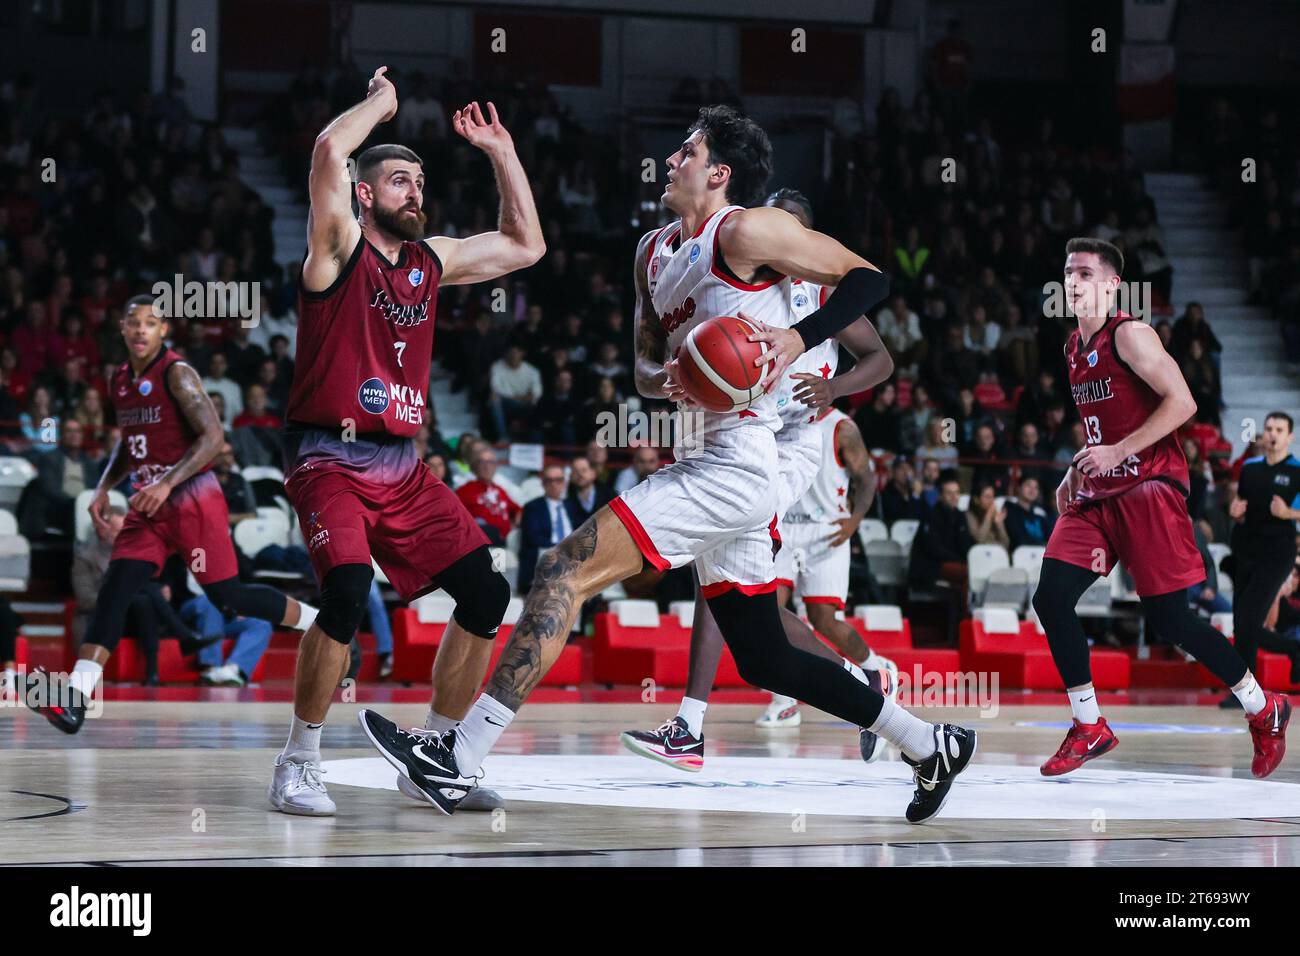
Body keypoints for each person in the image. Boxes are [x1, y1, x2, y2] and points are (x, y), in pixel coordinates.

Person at [359, 106, 975, 825]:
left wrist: (790, 340)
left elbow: (870, 282)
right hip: (704, 451)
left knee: (564, 568)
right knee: (765, 659)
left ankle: (458, 757)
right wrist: (674, 376)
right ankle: (928, 742)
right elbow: (647, 371)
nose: (672, 158)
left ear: (718, 173)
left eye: (687, 150)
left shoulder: (746, 230)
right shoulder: (652, 250)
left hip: (738, 462)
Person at [271, 68, 543, 816]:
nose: (414, 192)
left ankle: (436, 752)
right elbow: (330, 147)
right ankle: (298, 761)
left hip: (400, 464)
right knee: (348, 590)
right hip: (327, 455)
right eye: (398, 181)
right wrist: (380, 105)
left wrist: (502, 153)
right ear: (365, 195)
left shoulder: (433, 262)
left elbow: (526, 245)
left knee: (487, 591)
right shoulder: (336, 247)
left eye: (419, 181)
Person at [625, 185, 898, 747]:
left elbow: (881, 360)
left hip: (797, 440)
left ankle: (689, 725)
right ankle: (864, 686)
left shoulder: (821, 293)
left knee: (719, 576)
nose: (779, 232)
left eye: (791, 225)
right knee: (749, 607)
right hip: (747, 437)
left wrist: (832, 387)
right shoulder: (746, 286)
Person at [1032, 237, 1287, 778]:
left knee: (1172, 621)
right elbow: (1106, 424)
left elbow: (1185, 403)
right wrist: (1078, 467)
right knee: (1051, 597)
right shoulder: (1072, 347)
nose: (1072, 283)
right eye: (1067, 273)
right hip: (1100, 496)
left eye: (1083, 273)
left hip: (1150, 489)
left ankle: (1265, 709)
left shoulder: (1131, 334)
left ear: (1111, 283)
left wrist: (1121, 452)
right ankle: (1088, 724)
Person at [24, 296, 314, 732]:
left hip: (192, 499)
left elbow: (213, 438)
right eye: (134, 322)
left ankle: (319, 623)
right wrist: (104, 485)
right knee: (115, 587)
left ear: (164, 331)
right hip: (148, 504)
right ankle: (76, 700)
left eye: (151, 323)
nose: (141, 330)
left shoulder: (177, 373)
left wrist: (166, 482)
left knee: (228, 597)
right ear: (122, 329)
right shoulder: (119, 379)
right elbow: (129, 443)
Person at [1219, 413, 1300, 708]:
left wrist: (1289, 513)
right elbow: (1240, 505)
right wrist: (1235, 511)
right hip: (1247, 548)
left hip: (1277, 552)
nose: (1273, 434)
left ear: (1290, 436)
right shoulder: (1251, 468)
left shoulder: (1296, 470)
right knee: (1242, 624)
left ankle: (1292, 649)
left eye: (1279, 429)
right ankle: (1244, 692)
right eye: (1269, 429)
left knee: (1248, 618)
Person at [517, 463, 578, 592]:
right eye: (549, 480)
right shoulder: (532, 507)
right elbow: (533, 538)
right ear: (543, 483)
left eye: (558, 480)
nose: (554, 484)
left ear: (564, 483)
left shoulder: (572, 506)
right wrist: (563, 549)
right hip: (545, 560)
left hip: (573, 561)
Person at [454, 446, 521, 545]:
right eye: (482, 462)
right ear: (475, 467)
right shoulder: (463, 491)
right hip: (481, 544)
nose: (487, 466)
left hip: (504, 543)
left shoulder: (499, 490)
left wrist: (516, 523)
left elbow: (517, 509)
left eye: (491, 462)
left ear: (495, 466)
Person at [1004, 476, 1055, 550]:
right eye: (1028, 485)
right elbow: (1018, 539)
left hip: (1041, 555)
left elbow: (1050, 540)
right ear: (1019, 488)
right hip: (1020, 555)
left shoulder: (1040, 515)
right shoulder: (1010, 509)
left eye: (1036, 487)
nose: (1032, 490)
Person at [565, 454, 612, 521]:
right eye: (576, 471)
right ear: (571, 476)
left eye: (584, 470)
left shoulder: (608, 495)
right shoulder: (566, 497)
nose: (580, 474)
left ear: (593, 473)